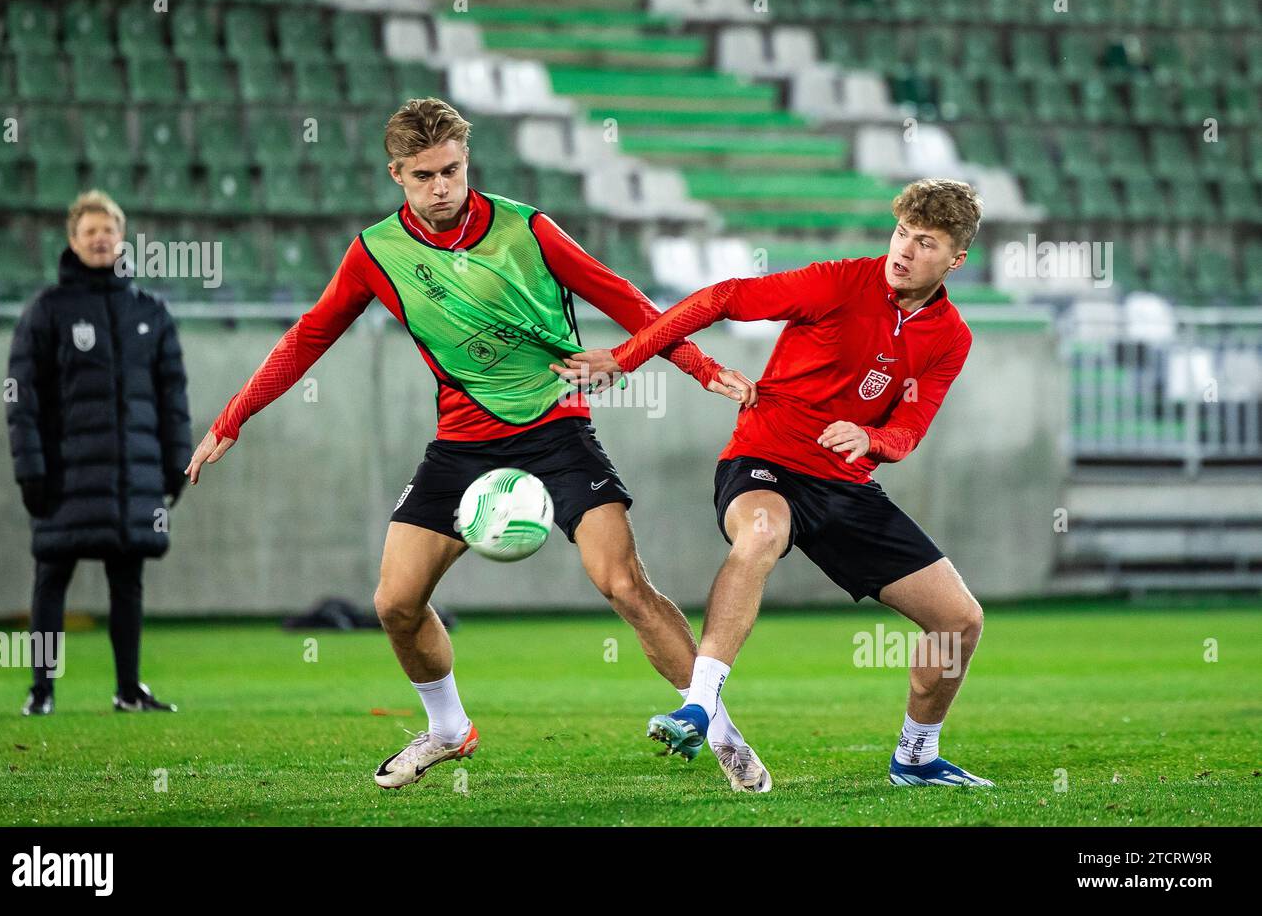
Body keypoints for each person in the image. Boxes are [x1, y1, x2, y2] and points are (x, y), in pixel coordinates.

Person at [184, 98, 772, 792]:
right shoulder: (376, 253)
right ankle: (447, 729)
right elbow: (310, 335)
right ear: (397, 173)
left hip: (557, 432)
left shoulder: (529, 229)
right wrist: (233, 415)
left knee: (623, 584)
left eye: (454, 171)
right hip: (461, 447)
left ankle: (723, 734)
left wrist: (703, 368)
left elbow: (628, 303)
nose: (443, 187)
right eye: (426, 174)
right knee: (394, 604)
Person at [556, 178, 994, 787]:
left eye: (924, 242)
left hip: (845, 485)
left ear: (956, 259)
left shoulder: (951, 337)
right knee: (761, 533)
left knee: (959, 622)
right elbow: (725, 296)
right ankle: (699, 706)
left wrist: (872, 440)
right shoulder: (842, 280)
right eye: (900, 233)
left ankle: (916, 758)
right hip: (765, 459)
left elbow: (909, 430)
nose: (904, 250)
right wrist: (626, 356)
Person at [7, 190, 191, 716]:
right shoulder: (46, 312)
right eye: (89, 232)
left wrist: (175, 466)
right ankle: (41, 691)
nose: (100, 240)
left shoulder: (150, 313)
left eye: (107, 231)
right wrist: (30, 470)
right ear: (73, 240)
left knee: (128, 581)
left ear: (121, 238)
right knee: (51, 578)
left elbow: (173, 400)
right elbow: (21, 399)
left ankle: (129, 690)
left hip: (132, 479)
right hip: (63, 477)